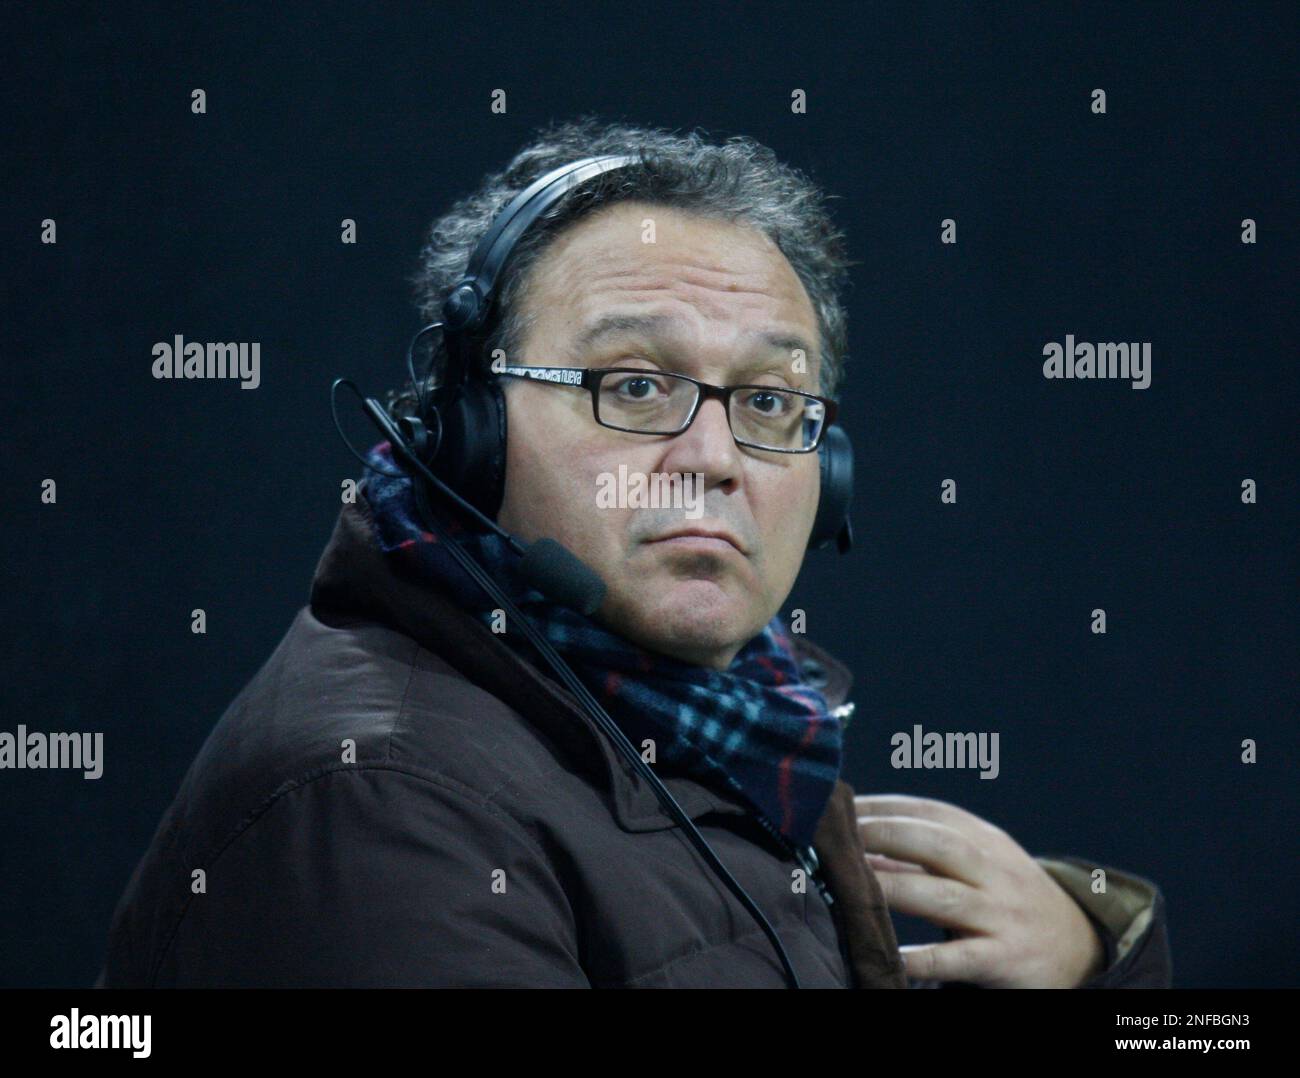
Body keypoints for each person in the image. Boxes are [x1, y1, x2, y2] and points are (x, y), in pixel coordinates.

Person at [97, 117, 1170, 988]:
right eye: (637, 385)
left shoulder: (733, 731)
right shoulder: (379, 804)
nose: (712, 458)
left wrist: (1092, 961)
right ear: (469, 433)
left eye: (766, 400)